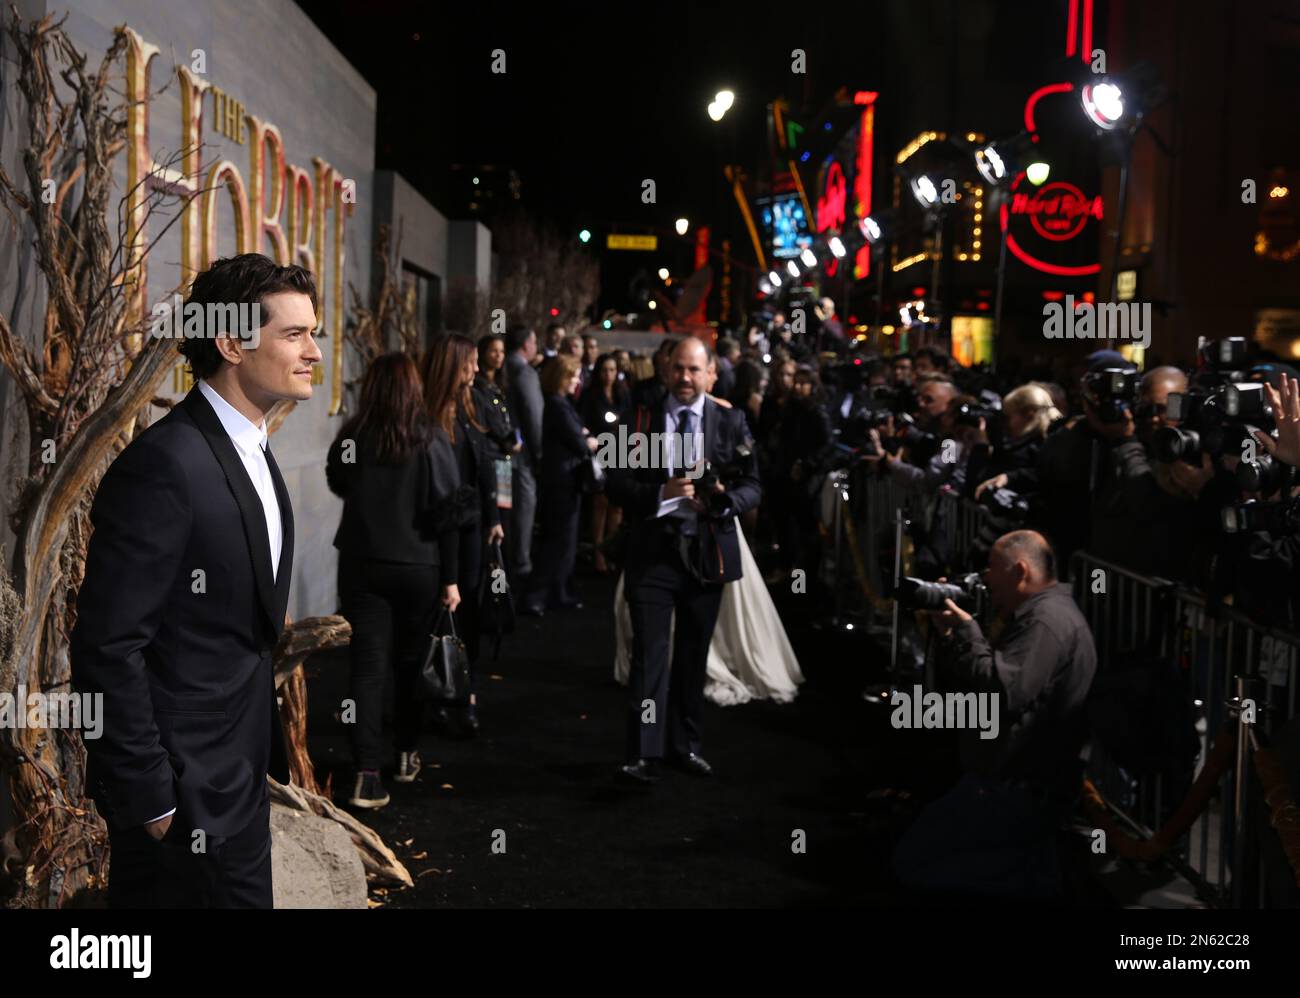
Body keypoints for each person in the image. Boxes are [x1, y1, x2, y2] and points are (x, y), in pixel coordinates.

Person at [70, 253, 321, 908]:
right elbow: (107, 645)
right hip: (180, 800)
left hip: (239, 782)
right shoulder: (165, 464)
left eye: (312, 334)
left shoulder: (254, 449)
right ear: (232, 343)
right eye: (294, 334)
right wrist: (151, 799)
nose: (314, 352)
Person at [892, 530, 1097, 897]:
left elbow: (1002, 693)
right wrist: (951, 634)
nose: (986, 579)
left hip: (1016, 788)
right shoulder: (1048, 614)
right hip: (1028, 784)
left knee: (915, 861)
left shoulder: (1044, 622)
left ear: (1020, 571)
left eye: (992, 568)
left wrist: (967, 632)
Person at [606, 337, 762, 783]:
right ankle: (643, 753)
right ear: (665, 370)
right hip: (652, 554)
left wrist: (723, 501)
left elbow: (753, 485)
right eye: (678, 368)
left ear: (711, 373)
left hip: (706, 554)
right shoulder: (638, 419)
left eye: (694, 369)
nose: (685, 378)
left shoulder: (730, 421)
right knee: (649, 657)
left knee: (693, 657)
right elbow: (613, 481)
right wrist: (660, 493)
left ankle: (685, 746)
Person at [326, 353, 461, 806]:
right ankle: (405, 754)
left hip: (362, 565)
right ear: (413, 388)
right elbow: (450, 512)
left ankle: (366, 775)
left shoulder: (354, 434)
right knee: (410, 666)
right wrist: (452, 579)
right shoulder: (430, 437)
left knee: (366, 670)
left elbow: (338, 481)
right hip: (419, 567)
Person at [425, 334, 503, 736]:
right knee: (438, 607)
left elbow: (487, 462)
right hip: (434, 527)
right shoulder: (426, 413)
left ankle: (466, 691)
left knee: (468, 607)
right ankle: (435, 689)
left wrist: (494, 517)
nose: (476, 368)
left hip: (470, 525)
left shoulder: (476, 405)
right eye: (469, 362)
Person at [525, 355, 598, 613]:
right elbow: (579, 441)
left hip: (563, 481)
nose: (578, 381)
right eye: (574, 376)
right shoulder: (557, 405)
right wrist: (587, 440)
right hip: (561, 483)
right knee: (558, 539)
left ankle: (555, 592)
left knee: (562, 539)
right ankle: (540, 594)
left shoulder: (560, 404)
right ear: (561, 377)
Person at [582, 353, 629, 573]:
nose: (608, 375)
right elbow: (586, 422)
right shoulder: (590, 395)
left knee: (617, 503)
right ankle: (598, 552)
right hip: (600, 451)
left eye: (612, 370)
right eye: (604, 370)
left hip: (620, 451)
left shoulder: (623, 393)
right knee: (600, 502)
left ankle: (614, 549)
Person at [505, 325, 543, 582]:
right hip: (523, 457)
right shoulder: (524, 373)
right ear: (526, 345)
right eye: (534, 342)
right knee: (522, 510)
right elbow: (534, 416)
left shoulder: (502, 368)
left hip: (502, 453)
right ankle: (520, 567)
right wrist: (540, 453)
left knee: (506, 511)